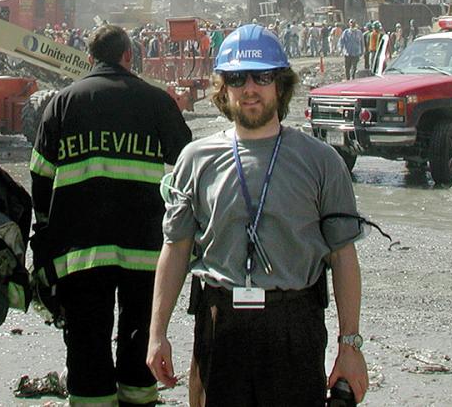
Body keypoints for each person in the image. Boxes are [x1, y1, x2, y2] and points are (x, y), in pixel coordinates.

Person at [146, 24, 369, 404]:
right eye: (237, 78)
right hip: (220, 325)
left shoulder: (322, 162)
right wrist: (157, 333)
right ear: (224, 87)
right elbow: (176, 247)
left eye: (262, 76)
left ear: (280, 85)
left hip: (294, 328)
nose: (250, 88)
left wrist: (350, 345)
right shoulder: (195, 160)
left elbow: (343, 255)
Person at [30, 23, 192, 407]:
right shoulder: (156, 101)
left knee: (87, 340)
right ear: (128, 56)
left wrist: (46, 237)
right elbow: (188, 165)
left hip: (81, 252)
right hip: (144, 250)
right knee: (139, 336)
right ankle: (138, 398)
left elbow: (40, 176)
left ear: (89, 59)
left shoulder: (63, 102)